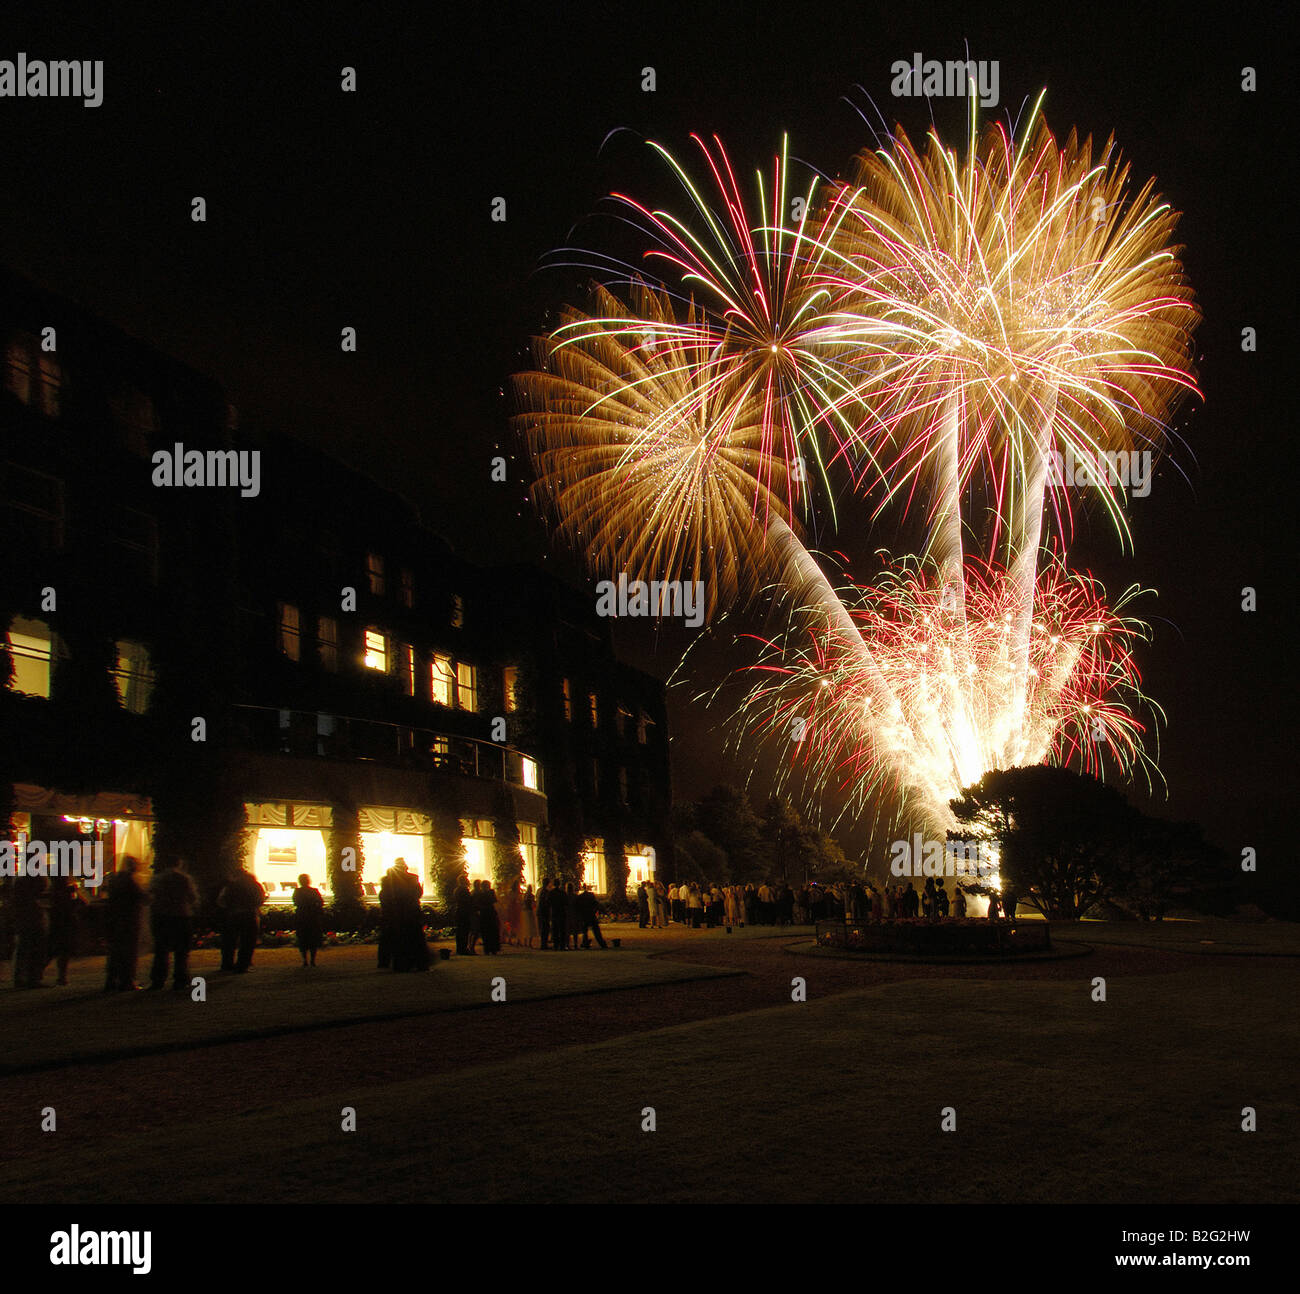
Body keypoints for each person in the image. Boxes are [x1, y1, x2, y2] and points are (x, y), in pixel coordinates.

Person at [149, 860, 199, 990]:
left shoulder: (158, 879)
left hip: (162, 916)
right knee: (181, 951)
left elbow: (150, 896)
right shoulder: (185, 878)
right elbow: (193, 898)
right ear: (179, 864)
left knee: (161, 951)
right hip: (181, 916)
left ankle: (158, 980)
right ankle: (180, 980)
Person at [104, 856, 148, 991]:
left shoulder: (115, 880)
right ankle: (127, 981)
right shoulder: (130, 880)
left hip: (115, 919)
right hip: (129, 920)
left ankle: (111, 981)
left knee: (115, 952)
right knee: (129, 952)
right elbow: (142, 897)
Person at [217, 867, 265, 972]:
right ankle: (242, 965)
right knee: (248, 941)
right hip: (249, 914)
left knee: (229, 941)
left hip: (233, 914)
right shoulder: (254, 885)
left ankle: (227, 964)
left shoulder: (230, 886)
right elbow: (260, 899)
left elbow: (221, 900)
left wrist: (229, 907)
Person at [47, 874, 87, 986]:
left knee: (54, 950)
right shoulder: (68, 890)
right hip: (66, 922)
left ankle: (38, 974)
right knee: (62, 951)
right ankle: (60, 977)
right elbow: (82, 902)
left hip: (58, 922)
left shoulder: (53, 890)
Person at [12, 872, 48, 989]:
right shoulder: (32, 879)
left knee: (23, 949)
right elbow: (42, 888)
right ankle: (32, 978)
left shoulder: (19, 880)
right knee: (34, 948)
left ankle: (20, 978)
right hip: (32, 918)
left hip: (23, 918)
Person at [292, 873, 325, 966]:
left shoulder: (297, 891)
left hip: (302, 916)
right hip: (312, 917)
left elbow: (295, 902)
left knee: (303, 938)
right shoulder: (314, 891)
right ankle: (312, 960)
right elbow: (320, 902)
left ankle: (304, 960)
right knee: (313, 938)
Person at [478, 882, 501, 955]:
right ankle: (493, 948)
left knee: (486, 932)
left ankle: (487, 949)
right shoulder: (490, 892)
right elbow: (494, 901)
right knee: (492, 931)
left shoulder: (481, 894)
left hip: (484, 913)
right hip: (490, 913)